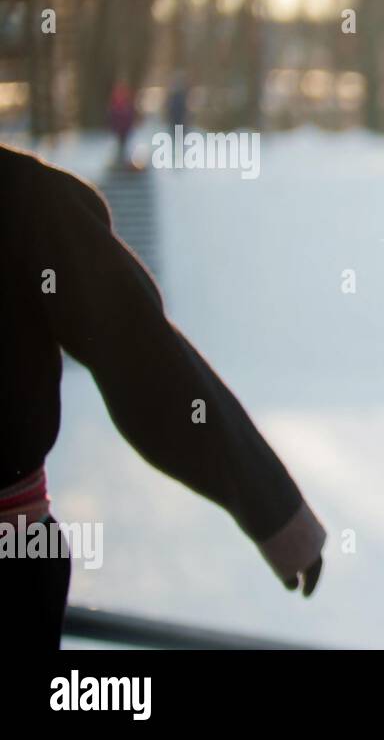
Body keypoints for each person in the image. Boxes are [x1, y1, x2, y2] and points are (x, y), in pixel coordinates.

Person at [0, 144, 326, 649]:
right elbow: (143, 358)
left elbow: (143, 357)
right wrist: (273, 508)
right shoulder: (24, 199)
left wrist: (273, 507)